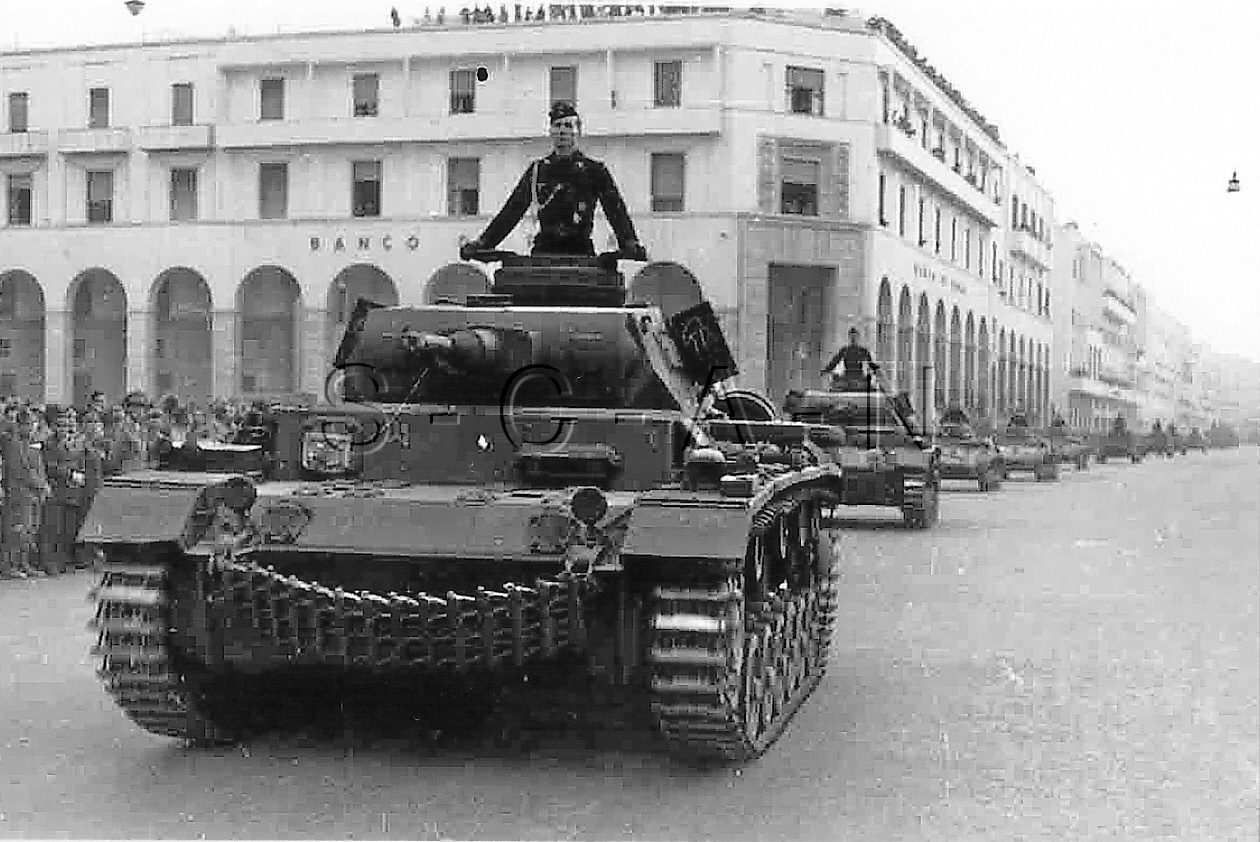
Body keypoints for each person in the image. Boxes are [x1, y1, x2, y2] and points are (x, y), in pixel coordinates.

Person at [462, 100, 648, 260]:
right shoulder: (538, 170)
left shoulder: (594, 170)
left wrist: (629, 242)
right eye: (557, 125)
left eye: (568, 126)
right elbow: (511, 211)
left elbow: (616, 210)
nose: (562, 131)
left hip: (580, 251)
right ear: (550, 131)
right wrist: (485, 243)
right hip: (544, 250)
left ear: (578, 131)